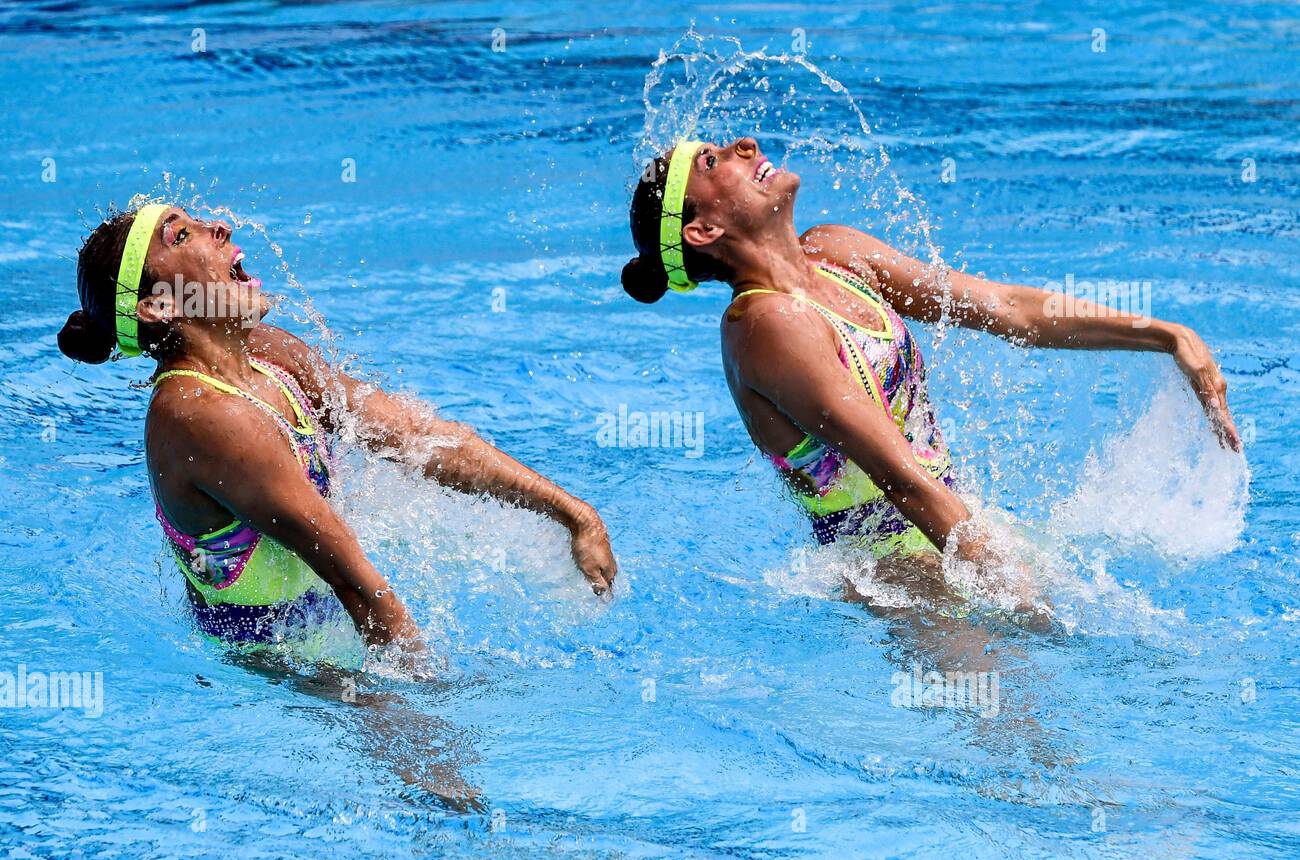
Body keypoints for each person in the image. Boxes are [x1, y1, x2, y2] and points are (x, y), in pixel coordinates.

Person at [621, 137, 1240, 572]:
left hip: (959, 533)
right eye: (714, 160)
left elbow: (1005, 309)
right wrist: (1003, 581)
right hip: (906, 581)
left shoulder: (835, 254)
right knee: (1033, 744)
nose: (746, 145)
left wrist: (1164, 334)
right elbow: (897, 475)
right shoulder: (767, 325)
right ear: (702, 230)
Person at [59, 202, 617, 647]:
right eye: (182, 237)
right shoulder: (204, 419)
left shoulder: (270, 355)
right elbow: (361, 589)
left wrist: (574, 514)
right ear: (158, 307)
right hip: (274, 665)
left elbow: (420, 441)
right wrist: (435, 719)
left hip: (324, 611)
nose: (218, 227)